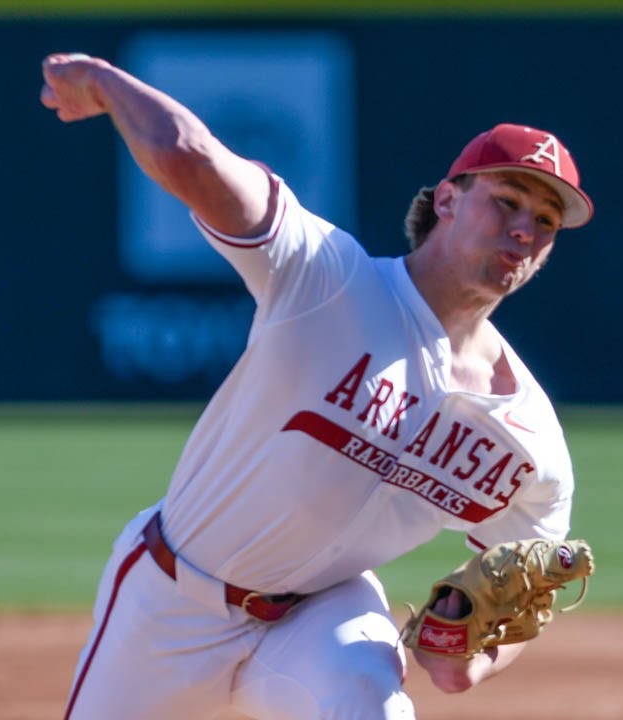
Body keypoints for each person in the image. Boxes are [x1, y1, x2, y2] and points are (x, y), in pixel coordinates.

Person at [40, 51, 594, 720]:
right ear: (447, 199)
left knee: (374, 710)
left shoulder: (529, 440)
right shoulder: (328, 280)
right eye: (507, 202)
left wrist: (467, 662)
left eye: (545, 223)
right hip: (173, 600)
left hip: (324, 615)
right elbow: (191, 157)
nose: (523, 230)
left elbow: (522, 593)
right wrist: (104, 83)